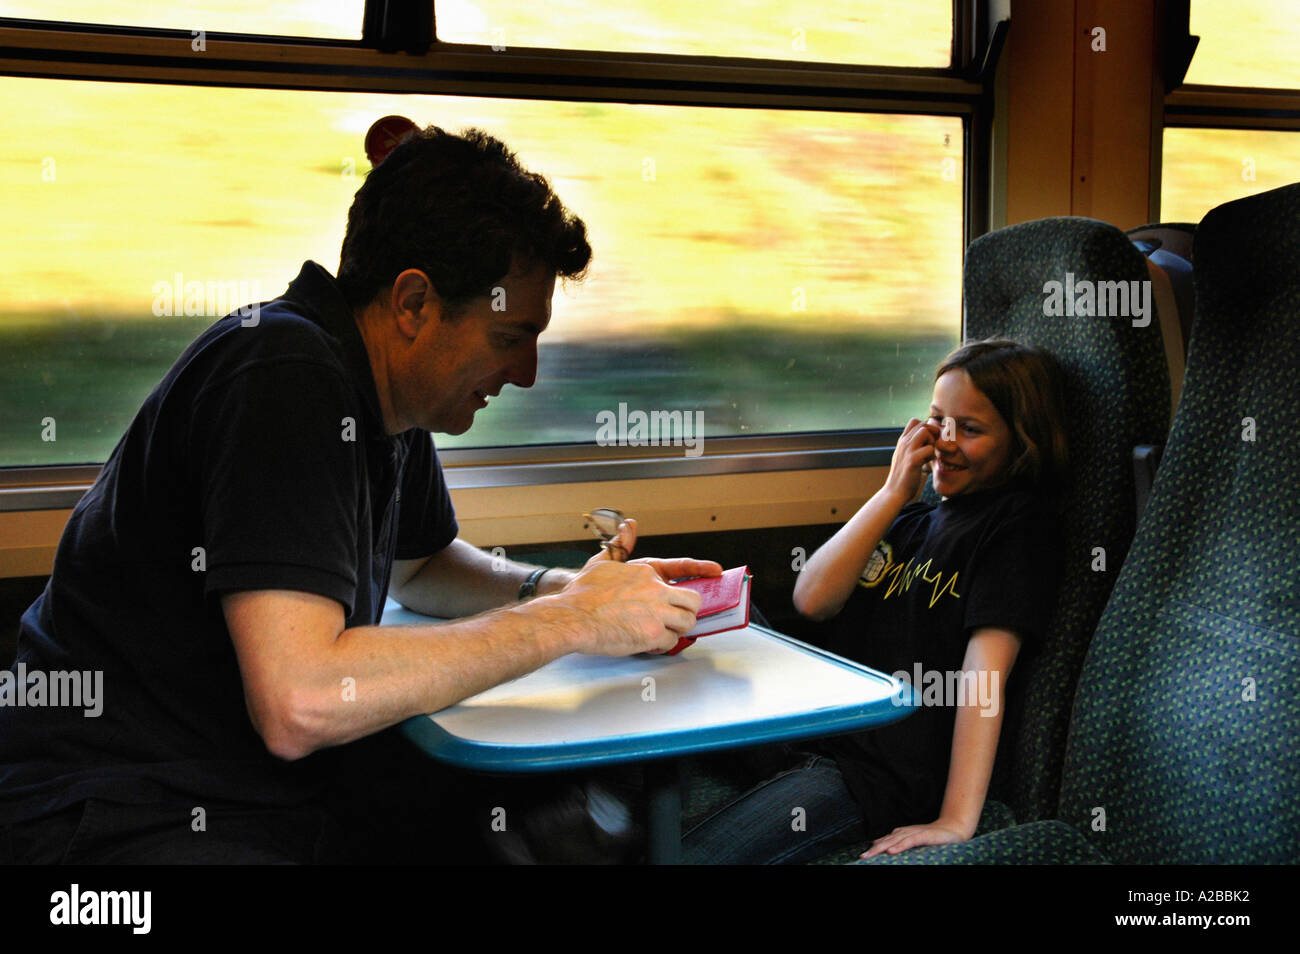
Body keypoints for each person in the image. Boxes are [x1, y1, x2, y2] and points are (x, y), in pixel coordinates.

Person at [0, 125, 720, 864]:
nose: (528, 373)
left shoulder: (383, 397)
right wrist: (569, 623)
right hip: (109, 812)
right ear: (414, 303)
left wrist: (566, 590)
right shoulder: (283, 374)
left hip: (244, 789)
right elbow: (301, 700)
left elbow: (422, 567)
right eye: (509, 337)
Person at [682, 338, 1069, 864]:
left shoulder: (1015, 528)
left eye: (970, 429)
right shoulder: (913, 517)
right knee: (708, 609)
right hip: (814, 721)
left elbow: (983, 680)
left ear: (1022, 443)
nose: (944, 441)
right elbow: (813, 600)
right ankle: (608, 798)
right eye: (937, 419)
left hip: (868, 775)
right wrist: (892, 493)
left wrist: (955, 820)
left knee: (690, 858)